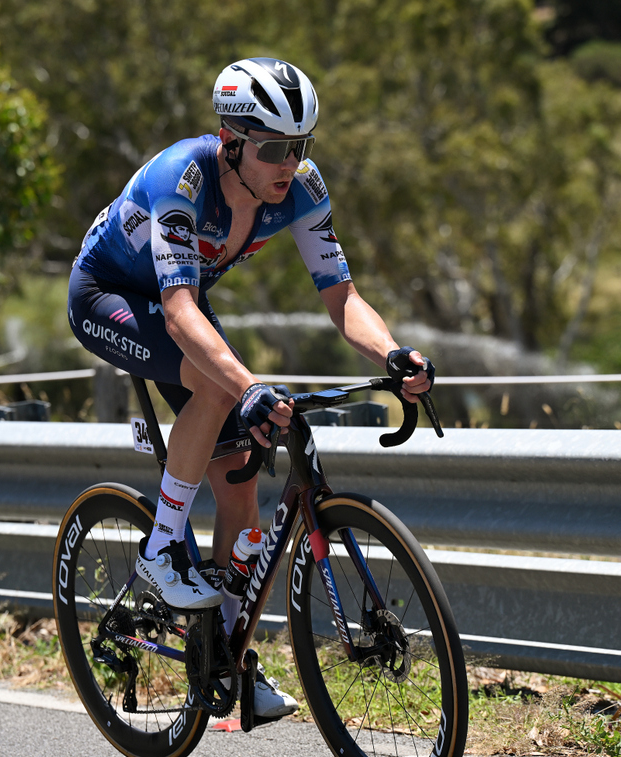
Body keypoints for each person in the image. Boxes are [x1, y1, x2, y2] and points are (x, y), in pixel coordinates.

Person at [67, 57, 435, 721]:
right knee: (219, 390)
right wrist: (248, 390)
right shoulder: (183, 177)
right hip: (111, 297)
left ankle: (230, 667)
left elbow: (342, 295)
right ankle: (159, 554)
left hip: (180, 302)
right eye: (272, 149)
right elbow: (179, 314)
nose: (287, 164)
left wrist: (392, 351)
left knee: (241, 488)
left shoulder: (302, 188)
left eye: (299, 147)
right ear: (230, 141)